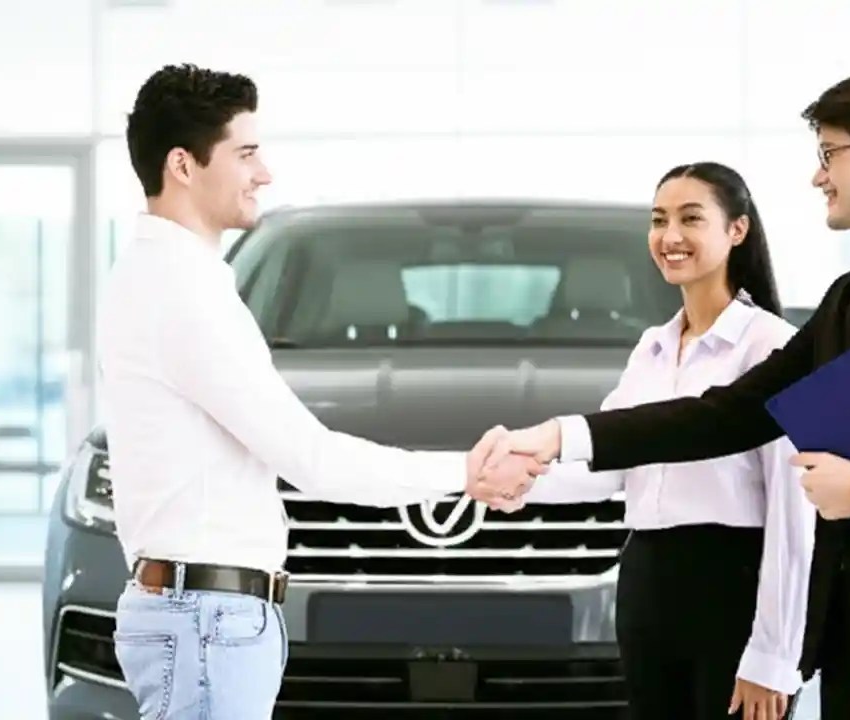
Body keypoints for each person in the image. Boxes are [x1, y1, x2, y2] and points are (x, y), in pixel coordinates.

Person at [476, 68, 850, 720]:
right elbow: (728, 414)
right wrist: (559, 437)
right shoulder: (848, 300)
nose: (819, 176)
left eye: (830, 154)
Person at [98, 64, 539, 719]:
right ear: (183, 165)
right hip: (206, 621)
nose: (264, 173)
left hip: (198, 616)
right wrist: (464, 474)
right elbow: (311, 458)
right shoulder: (183, 293)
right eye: (246, 153)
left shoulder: (158, 276)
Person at [514, 162, 812, 720]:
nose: (669, 236)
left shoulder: (772, 346)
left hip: (731, 586)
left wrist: (774, 656)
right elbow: (609, 466)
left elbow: (794, 517)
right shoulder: (652, 347)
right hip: (648, 584)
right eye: (658, 220)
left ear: (737, 230)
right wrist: (517, 482)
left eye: (690, 218)